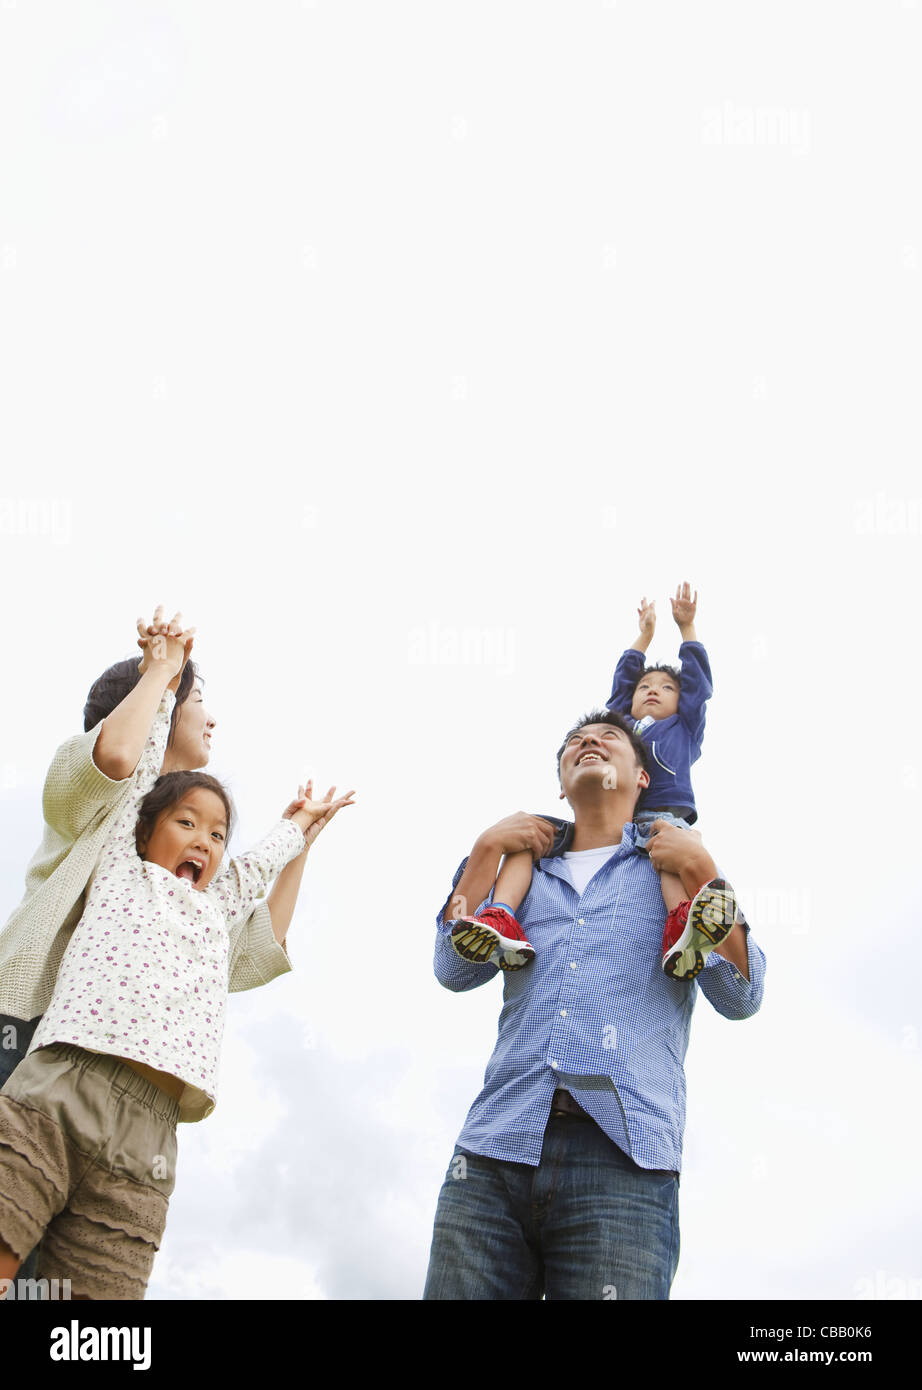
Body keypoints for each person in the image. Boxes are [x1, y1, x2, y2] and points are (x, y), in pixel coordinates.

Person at [0, 623, 353, 1299]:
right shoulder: (105, 804)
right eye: (198, 701)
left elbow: (250, 935)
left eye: (215, 831)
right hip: (36, 1045)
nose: (211, 716)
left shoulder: (201, 900)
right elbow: (121, 766)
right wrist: (163, 670)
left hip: (145, 1114)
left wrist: (300, 834)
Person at [423, 708, 765, 1301]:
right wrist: (483, 851)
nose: (589, 743)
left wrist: (703, 868)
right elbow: (454, 971)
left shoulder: (674, 865)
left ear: (640, 779)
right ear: (561, 783)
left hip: (625, 1158)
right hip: (492, 1153)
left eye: (609, 738)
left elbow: (742, 996)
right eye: (575, 742)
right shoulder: (521, 866)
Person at [448, 581, 718, 978]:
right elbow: (620, 691)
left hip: (664, 818)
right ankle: (499, 915)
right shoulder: (622, 726)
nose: (653, 692)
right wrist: (642, 637)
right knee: (529, 840)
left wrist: (687, 629)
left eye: (666, 688)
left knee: (671, 858)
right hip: (620, 825)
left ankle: (683, 924)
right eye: (645, 688)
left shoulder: (684, 726)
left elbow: (698, 686)